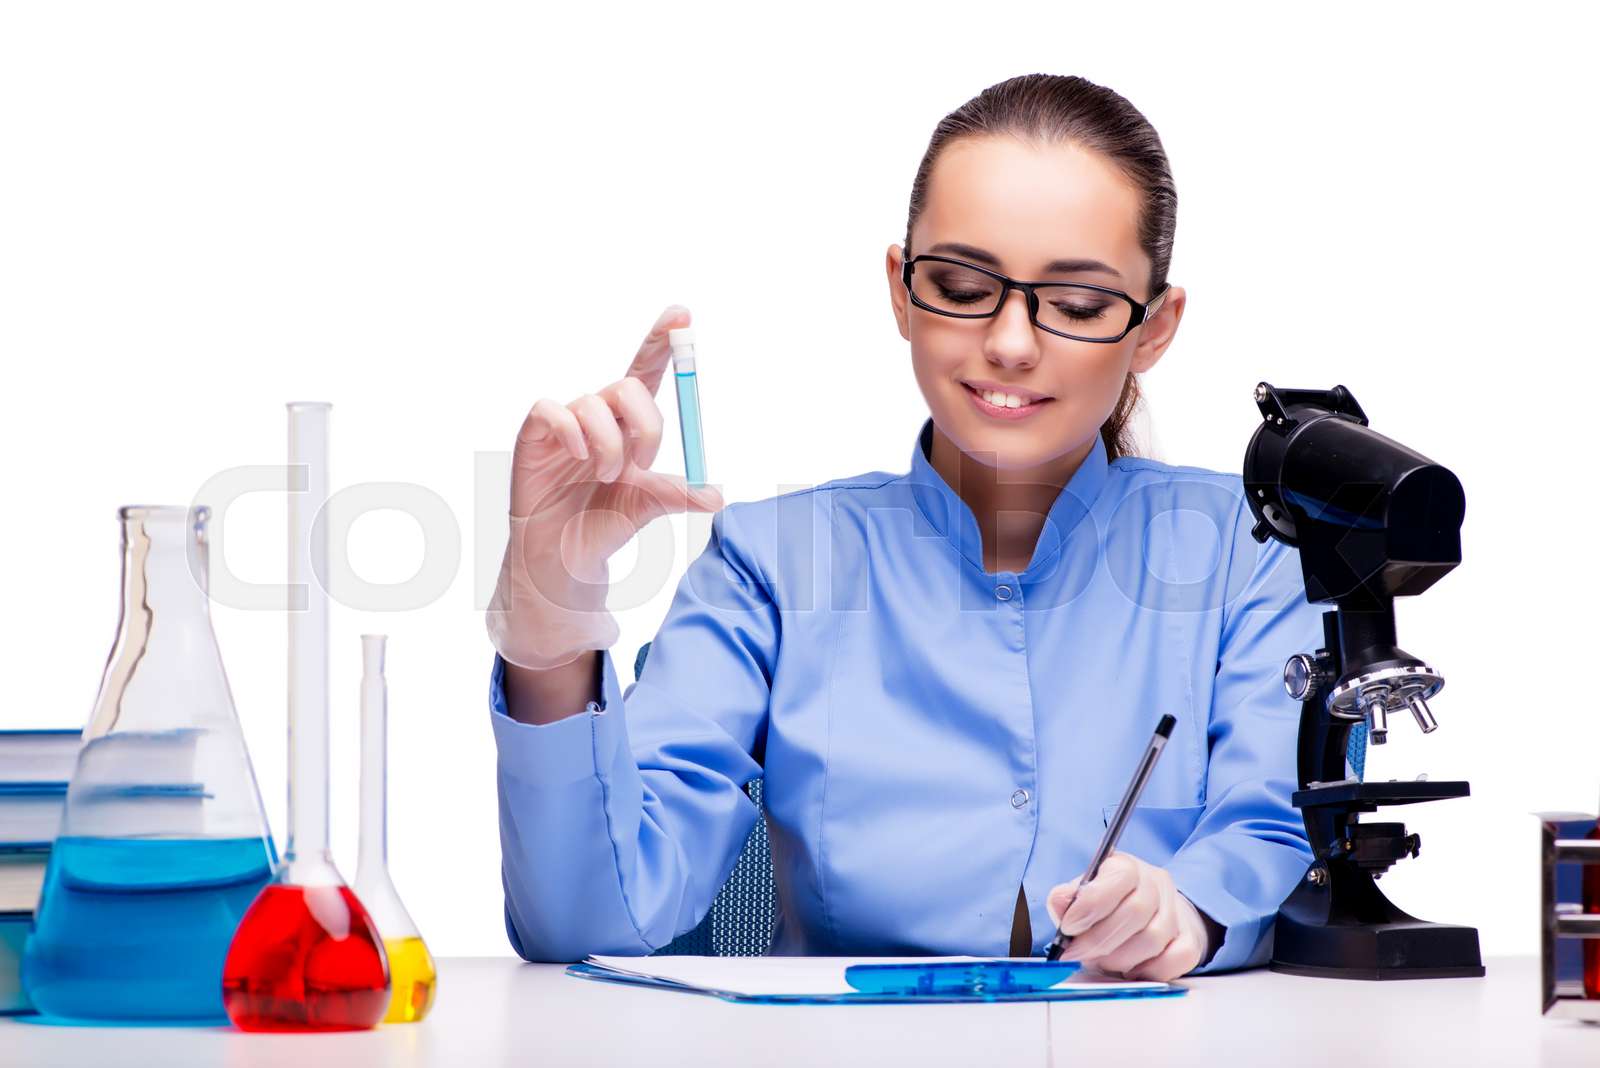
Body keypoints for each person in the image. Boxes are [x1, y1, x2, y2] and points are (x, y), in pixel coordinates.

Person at [485, 73, 1325, 980]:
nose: (1009, 342)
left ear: (1153, 328)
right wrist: (551, 616)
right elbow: (584, 922)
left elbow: (1276, 821)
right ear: (900, 289)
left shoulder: (1251, 549)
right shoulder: (772, 567)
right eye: (962, 286)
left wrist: (1188, 912)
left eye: (1078, 305)